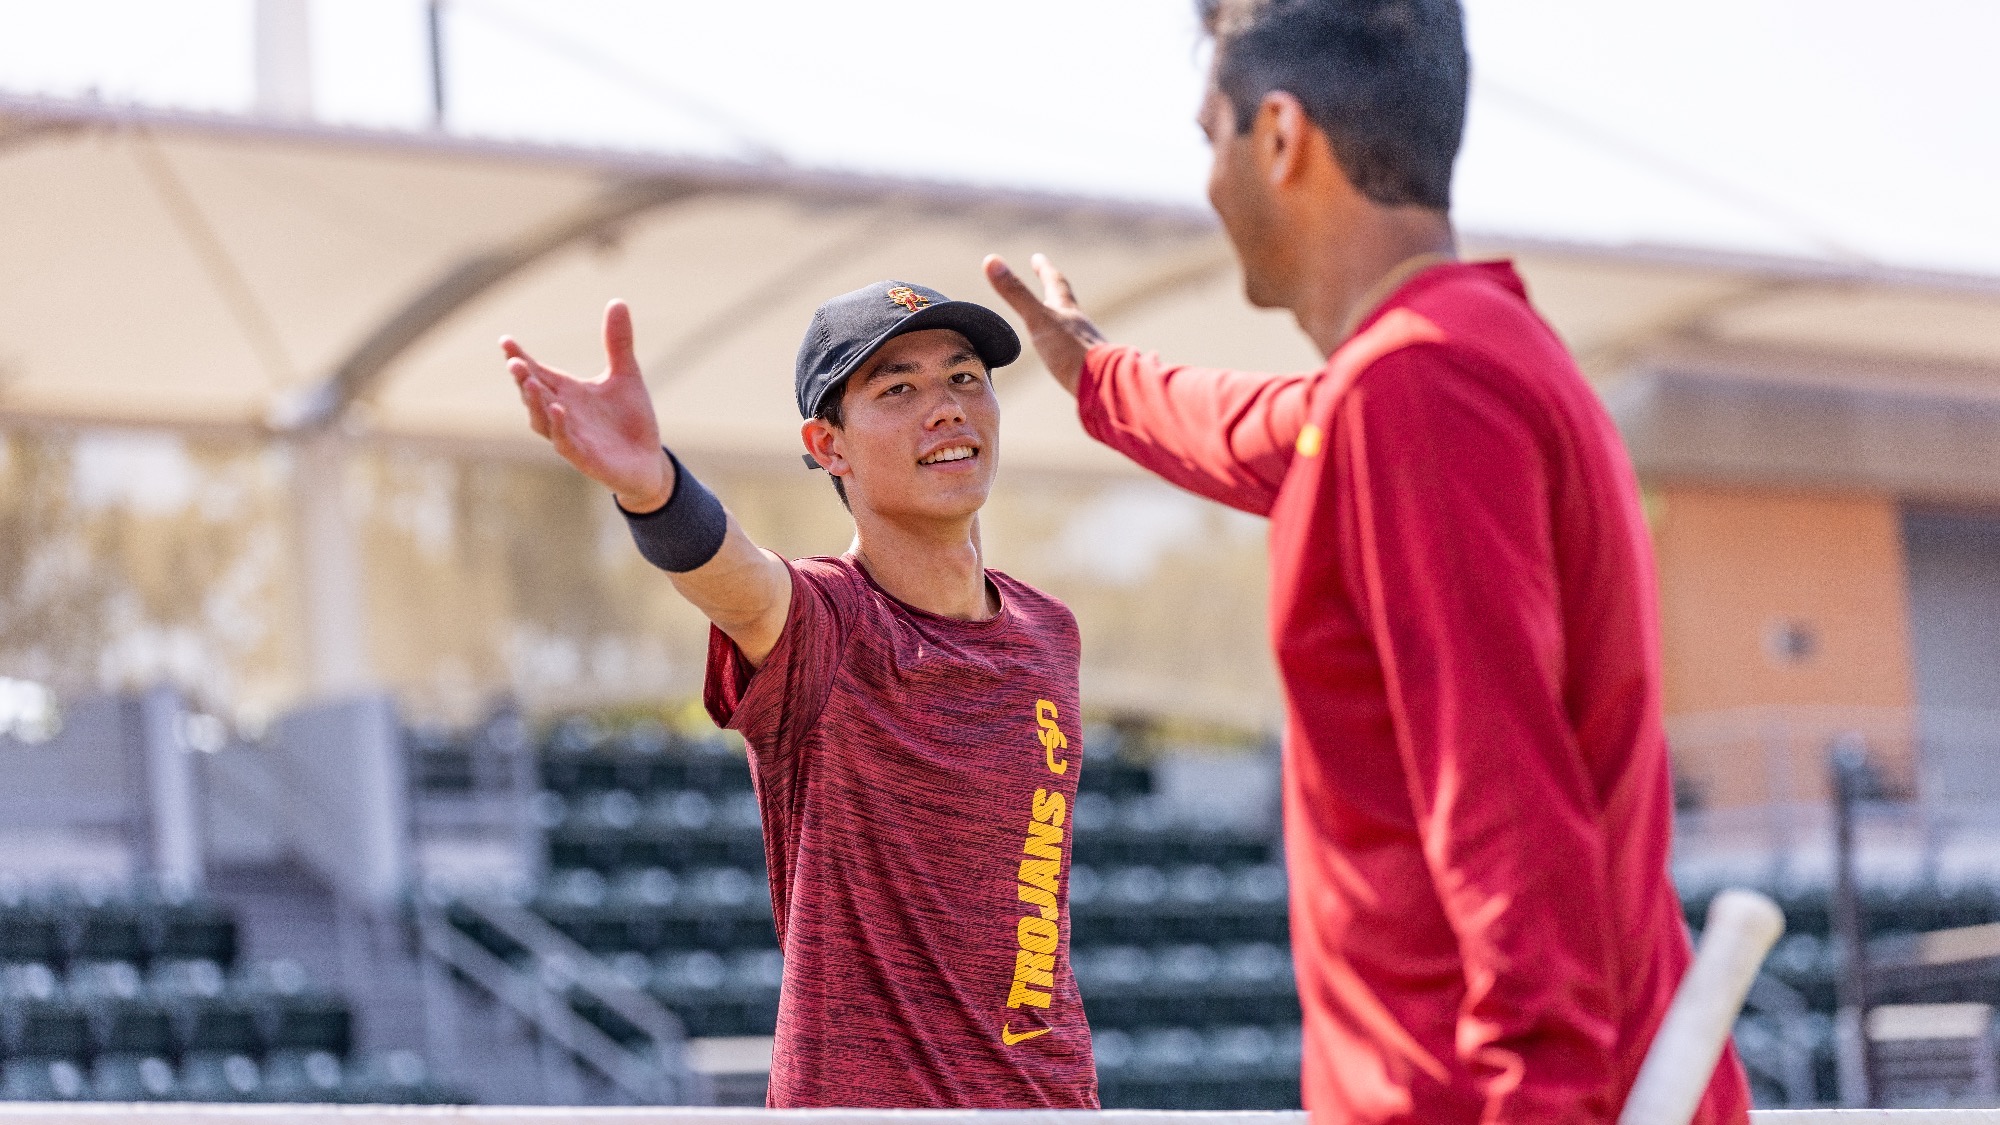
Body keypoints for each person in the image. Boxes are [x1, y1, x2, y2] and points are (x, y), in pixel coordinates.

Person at [982, 1, 1751, 1122]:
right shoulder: (1444, 367)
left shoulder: (1418, 393)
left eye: (1212, 136)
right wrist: (1095, 371)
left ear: (1281, 138)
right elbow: (1249, 429)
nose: (1206, 182)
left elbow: (1509, 830)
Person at [500, 281, 1097, 1109]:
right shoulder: (828, 622)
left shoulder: (1048, 631)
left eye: (965, 378)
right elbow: (739, 582)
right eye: (898, 389)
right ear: (829, 446)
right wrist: (652, 488)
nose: (947, 408)